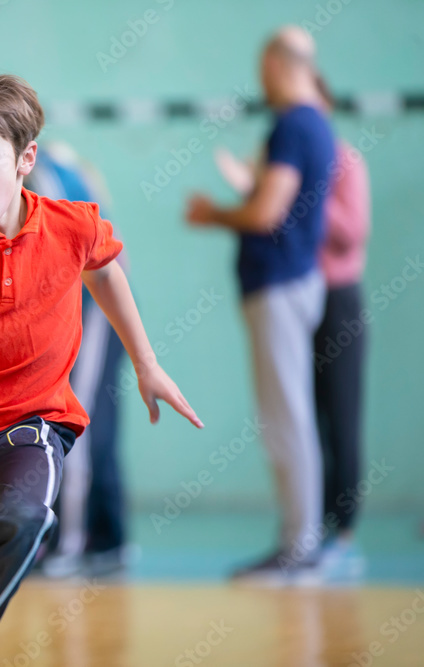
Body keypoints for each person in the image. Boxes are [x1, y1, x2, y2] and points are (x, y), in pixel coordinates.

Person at [0, 69, 202, 666]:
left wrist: (146, 362)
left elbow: (103, 269)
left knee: (22, 519)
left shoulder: (71, 226)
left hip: (31, 425)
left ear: (26, 159)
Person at [186, 26, 336, 584]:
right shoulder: (312, 125)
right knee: (289, 416)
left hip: (280, 284)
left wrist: (214, 213)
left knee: (287, 418)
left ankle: (300, 547)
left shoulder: (293, 124)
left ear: (277, 64)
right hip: (291, 283)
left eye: (262, 66)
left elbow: (267, 214)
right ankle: (300, 543)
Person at [214, 73, 371, 581]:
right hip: (309, 292)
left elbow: (351, 233)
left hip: (339, 299)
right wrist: (266, 189)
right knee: (301, 414)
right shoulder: (301, 156)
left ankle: (338, 536)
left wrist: (299, 191)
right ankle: (307, 534)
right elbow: (273, 215)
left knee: (337, 418)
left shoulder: (339, 160)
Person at [25, 142, 133, 579]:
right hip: (81, 301)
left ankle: (67, 541)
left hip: (89, 300)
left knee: (77, 420)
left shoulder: (43, 173)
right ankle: (107, 537)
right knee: (88, 416)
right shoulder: (60, 162)